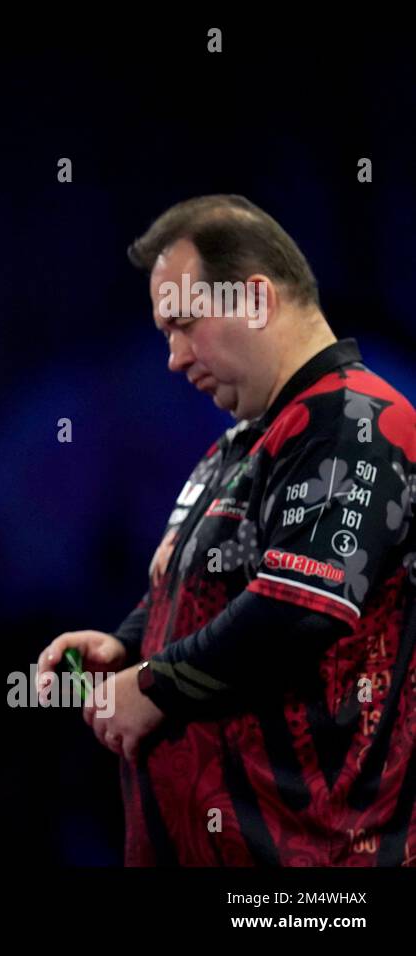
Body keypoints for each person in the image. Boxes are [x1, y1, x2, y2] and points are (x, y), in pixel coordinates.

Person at [36, 195, 415, 865]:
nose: (174, 359)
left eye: (183, 325)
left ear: (256, 300)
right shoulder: (239, 447)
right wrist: (122, 647)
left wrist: (154, 686)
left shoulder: (359, 421)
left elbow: (299, 609)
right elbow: (208, 595)